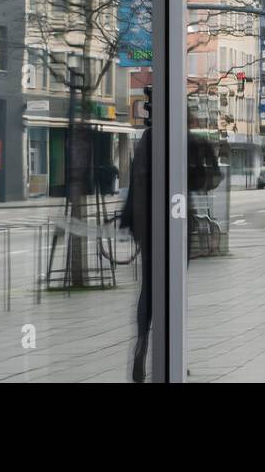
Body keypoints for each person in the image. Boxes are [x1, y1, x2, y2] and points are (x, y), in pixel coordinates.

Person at [120, 128, 152, 383]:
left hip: (145, 224)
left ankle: (143, 341)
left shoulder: (145, 140)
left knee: (148, 288)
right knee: (174, 288)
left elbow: (135, 182)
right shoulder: (175, 138)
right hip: (170, 226)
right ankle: (172, 346)